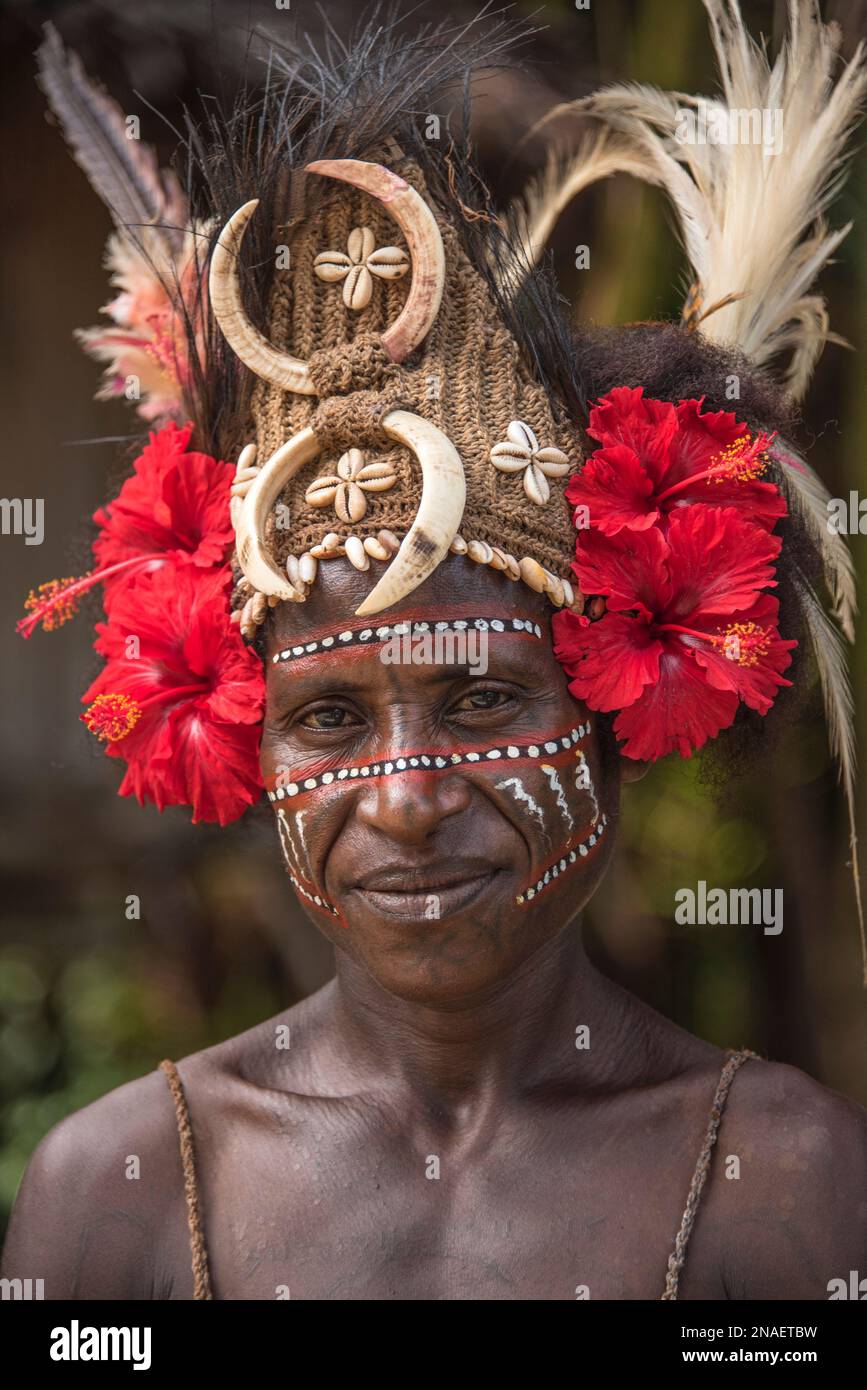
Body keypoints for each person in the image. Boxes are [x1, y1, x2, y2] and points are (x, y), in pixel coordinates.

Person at [3, 2, 867, 1299]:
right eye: (333, 716)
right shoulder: (113, 1193)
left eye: (477, 696)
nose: (407, 798)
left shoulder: (782, 1178)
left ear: (620, 707)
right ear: (243, 727)